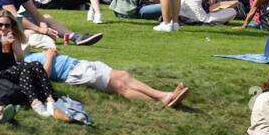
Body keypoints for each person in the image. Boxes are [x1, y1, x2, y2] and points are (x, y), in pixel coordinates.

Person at [41, 46, 189, 107]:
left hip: (78, 66)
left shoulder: (25, 55)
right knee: (122, 80)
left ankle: (164, 99)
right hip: (74, 72)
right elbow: (43, 76)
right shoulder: (24, 62)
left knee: (121, 84)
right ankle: (164, 96)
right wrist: (49, 56)